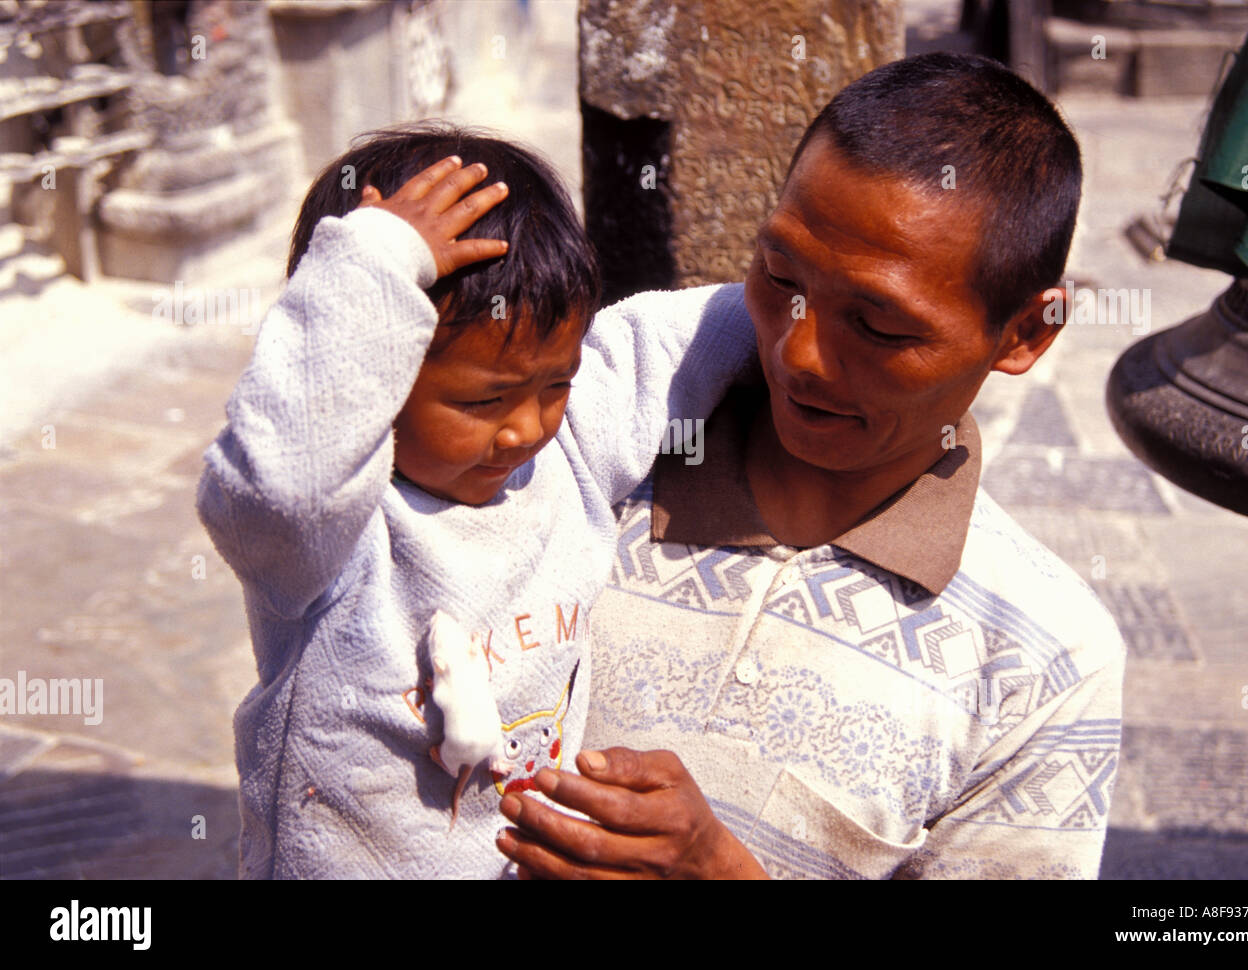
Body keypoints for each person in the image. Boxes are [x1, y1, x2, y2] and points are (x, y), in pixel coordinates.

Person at [494, 52, 1127, 879]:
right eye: (780, 275)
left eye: (879, 326)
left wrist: (723, 873)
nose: (799, 355)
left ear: (1026, 334)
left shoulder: (1045, 659)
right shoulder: (591, 468)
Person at [196, 124, 756, 878]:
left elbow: (674, 338)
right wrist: (375, 262)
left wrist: (805, 290)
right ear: (377, 373)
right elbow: (277, 484)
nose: (525, 429)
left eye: (554, 384)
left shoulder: (572, 453)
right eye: (483, 399)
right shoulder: (333, 534)